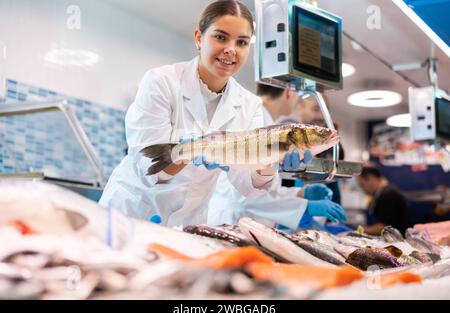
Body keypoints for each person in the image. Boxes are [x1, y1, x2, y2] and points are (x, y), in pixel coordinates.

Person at [99, 1, 308, 227]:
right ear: (199, 37)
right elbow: (147, 167)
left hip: (188, 222)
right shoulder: (161, 82)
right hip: (132, 212)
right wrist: (185, 153)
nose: (231, 49)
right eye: (221, 37)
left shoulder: (250, 105)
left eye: (242, 42)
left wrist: (271, 160)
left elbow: (248, 186)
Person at [208, 83, 346, 230]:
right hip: (235, 222)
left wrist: (301, 193)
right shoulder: (252, 120)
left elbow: (266, 189)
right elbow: (245, 196)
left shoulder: (270, 125)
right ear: (289, 92)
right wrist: (305, 207)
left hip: (249, 222)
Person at [356, 166, 412, 235]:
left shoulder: (388, 195)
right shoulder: (380, 194)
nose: (362, 189)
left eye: (362, 185)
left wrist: (359, 231)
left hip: (395, 242)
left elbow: (384, 227)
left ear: (370, 177)